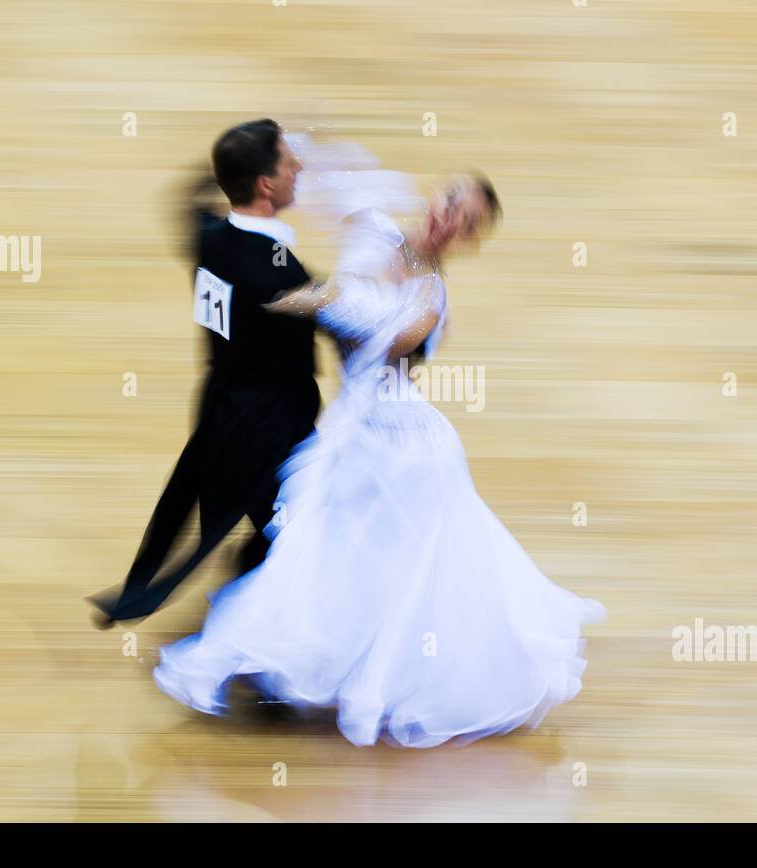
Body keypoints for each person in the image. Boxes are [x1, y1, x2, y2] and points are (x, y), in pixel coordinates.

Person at [151, 154, 606, 747]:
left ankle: (311, 667)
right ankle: (293, 663)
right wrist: (288, 158)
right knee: (336, 556)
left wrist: (282, 295)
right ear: (432, 198)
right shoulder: (376, 229)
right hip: (354, 433)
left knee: (362, 560)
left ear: (468, 240)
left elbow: (366, 332)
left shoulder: (431, 300)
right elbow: (322, 181)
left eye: (464, 223)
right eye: (448, 204)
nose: (448, 222)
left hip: (402, 448)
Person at [89, 119, 321, 627]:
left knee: (274, 529)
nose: (298, 167)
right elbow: (342, 315)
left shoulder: (209, 236)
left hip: (221, 413)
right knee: (299, 532)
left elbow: (186, 198)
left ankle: (255, 619)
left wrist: (225, 164)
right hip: (270, 432)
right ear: (265, 184)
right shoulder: (280, 275)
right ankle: (252, 639)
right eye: (288, 161)